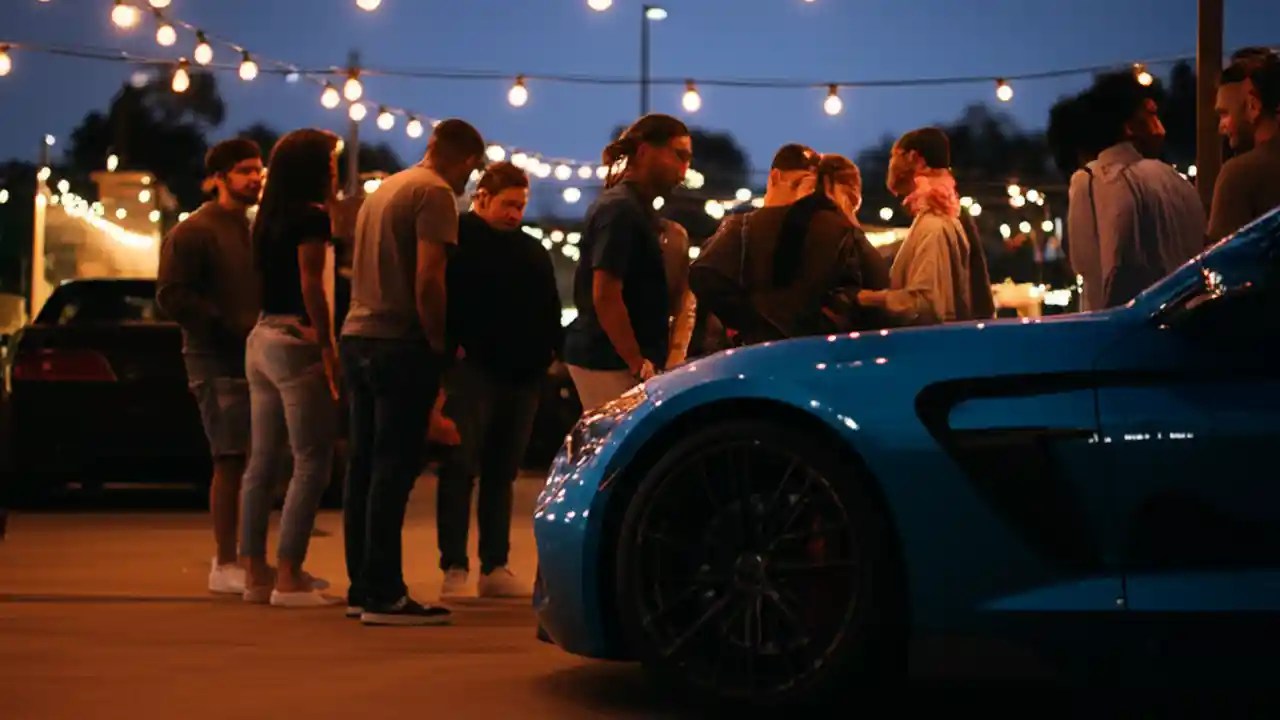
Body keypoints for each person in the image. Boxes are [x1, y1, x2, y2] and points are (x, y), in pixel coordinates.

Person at [341, 118, 486, 625]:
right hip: (399, 341)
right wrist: (438, 340)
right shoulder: (436, 195)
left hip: (356, 334)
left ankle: (361, 585)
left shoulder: (385, 191)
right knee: (393, 468)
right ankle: (385, 593)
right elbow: (429, 278)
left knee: (362, 467)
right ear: (467, 160)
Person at [437, 162, 561, 599]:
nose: (514, 214)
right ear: (483, 197)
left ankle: (495, 564)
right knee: (461, 467)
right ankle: (454, 564)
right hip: (474, 371)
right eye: (508, 204)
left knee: (501, 472)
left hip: (523, 374)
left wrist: (548, 354)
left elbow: (549, 305)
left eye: (520, 205)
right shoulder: (461, 240)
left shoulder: (530, 250)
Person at [238, 129, 343, 607]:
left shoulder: (265, 217)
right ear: (315, 169)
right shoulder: (312, 218)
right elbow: (312, 284)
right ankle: (290, 574)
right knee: (311, 461)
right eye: (331, 163)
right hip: (293, 340)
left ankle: (254, 572)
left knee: (262, 462)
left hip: (260, 337)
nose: (335, 171)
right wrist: (326, 344)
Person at [156, 138, 263, 595]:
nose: (255, 177)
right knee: (230, 458)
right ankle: (223, 562)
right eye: (244, 170)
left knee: (257, 460)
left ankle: (249, 560)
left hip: (255, 357)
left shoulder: (254, 229)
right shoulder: (195, 231)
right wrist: (225, 327)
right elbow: (171, 295)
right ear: (218, 178)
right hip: (215, 358)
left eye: (259, 169)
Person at [563, 114, 692, 411]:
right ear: (644, 151)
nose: (684, 171)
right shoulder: (620, 209)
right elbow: (606, 293)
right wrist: (636, 362)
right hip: (608, 360)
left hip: (615, 357)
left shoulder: (635, 208)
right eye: (679, 156)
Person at [690, 154, 890, 344]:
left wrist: (748, 319)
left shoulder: (747, 224)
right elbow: (879, 289)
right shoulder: (842, 231)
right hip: (824, 351)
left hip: (751, 350)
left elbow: (704, 276)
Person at [1066, 73, 1206, 311]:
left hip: (1127, 328)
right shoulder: (1175, 180)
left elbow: (1091, 272)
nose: (1160, 126)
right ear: (1129, 125)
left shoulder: (1092, 180)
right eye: (1151, 114)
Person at [858, 128, 994, 324]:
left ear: (915, 159)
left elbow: (925, 303)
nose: (890, 164)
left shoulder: (934, 226)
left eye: (893, 156)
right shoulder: (942, 218)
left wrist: (866, 298)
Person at [1209, 51, 1280, 242]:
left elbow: (1222, 266)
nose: (1220, 127)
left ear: (1253, 107)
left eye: (1224, 114)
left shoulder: (1239, 174)